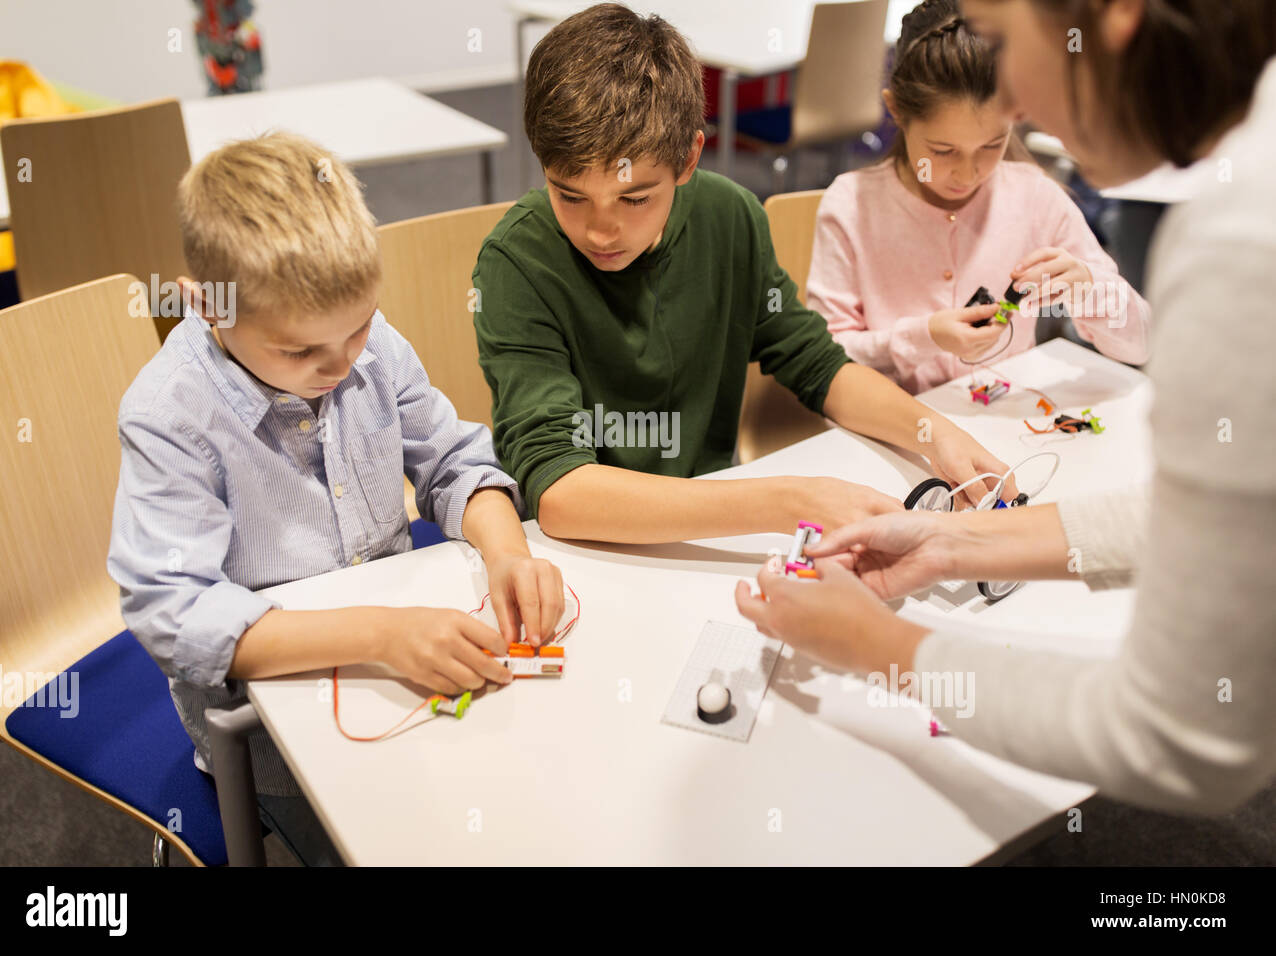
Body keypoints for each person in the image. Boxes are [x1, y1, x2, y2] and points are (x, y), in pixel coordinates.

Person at [737, 0, 1276, 816]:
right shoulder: (1242, 201)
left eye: (999, 39)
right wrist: (955, 539)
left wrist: (875, 646)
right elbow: (1229, 523)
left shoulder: (1239, 244)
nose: (1012, 108)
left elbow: (1183, 742)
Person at [107, 132, 564, 864]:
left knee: (533, 784)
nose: (339, 363)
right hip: (267, 718)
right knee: (401, 838)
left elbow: (451, 457)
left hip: (399, 649)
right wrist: (380, 636)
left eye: (357, 327)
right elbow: (175, 609)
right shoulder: (170, 413)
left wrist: (508, 549)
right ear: (207, 305)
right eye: (297, 351)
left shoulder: (367, 341)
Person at [472, 3, 1020, 546]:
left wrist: (935, 433)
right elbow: (559, 492)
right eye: (569, 195)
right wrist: (789, 502)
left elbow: (816, 362)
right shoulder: (518, 262)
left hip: (707, 527)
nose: (601, 230)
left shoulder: (730, 217)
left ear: (688, 159)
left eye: (634, 198)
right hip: (583, 549)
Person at [805, 0, 1150, 396]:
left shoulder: (1034, 196)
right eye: (942, 151)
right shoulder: (851, 205)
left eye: (992, 145)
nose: (968, 174)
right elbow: (821, 359)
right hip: (888, 430)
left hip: (1001, 427)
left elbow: (1139, 344)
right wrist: (923, 337)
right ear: (896, 110)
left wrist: (1091, 289)